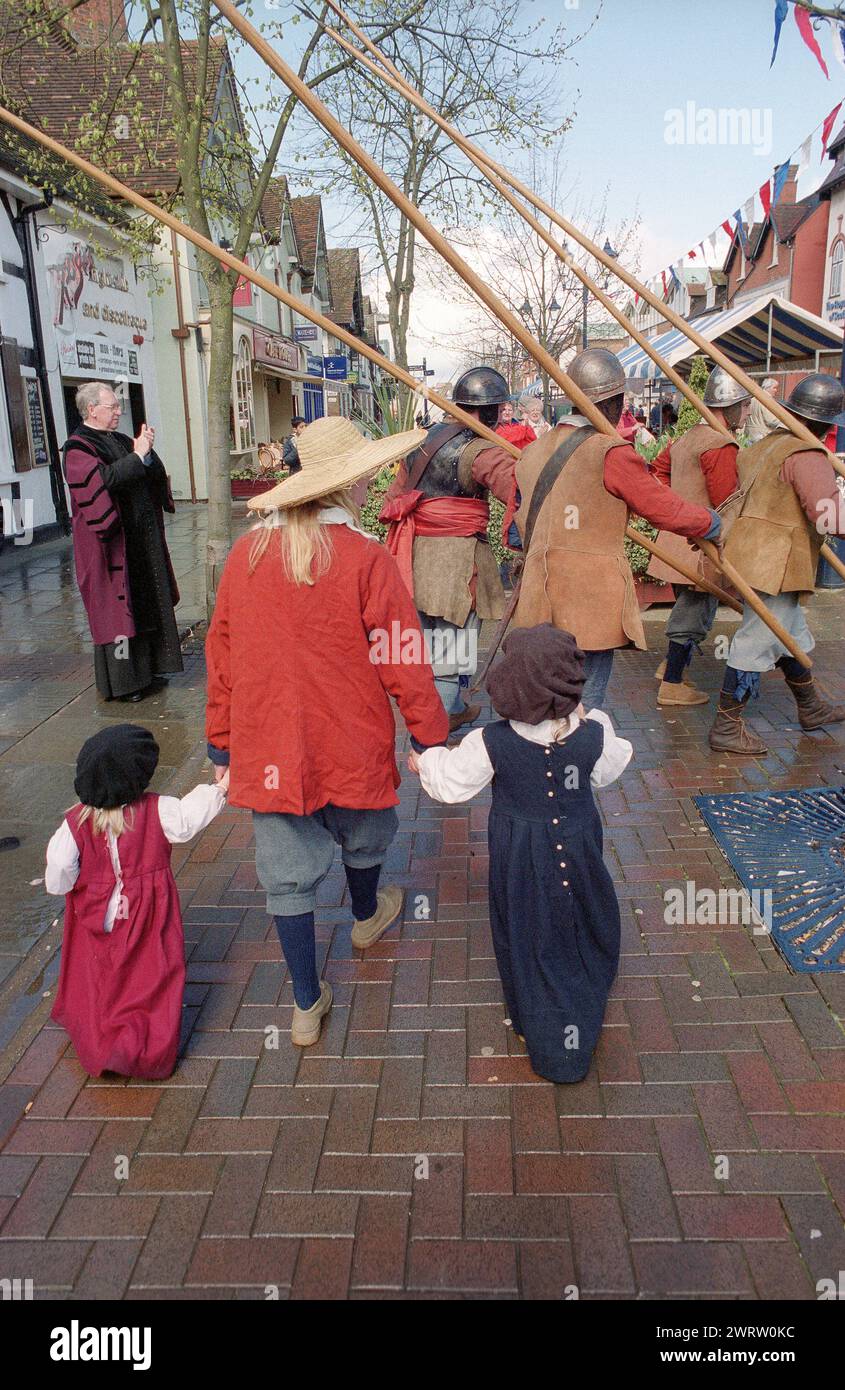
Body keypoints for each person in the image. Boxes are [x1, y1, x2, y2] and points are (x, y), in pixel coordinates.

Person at [205, 416, 448, 1049]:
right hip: (350, 734)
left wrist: (220, 743)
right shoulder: (366, 558)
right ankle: (365, 917)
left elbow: (221, 656)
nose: (370, 485)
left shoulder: (245, 555)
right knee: (364, 830)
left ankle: (305, 1003)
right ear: (347, 484)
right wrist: (427, 736)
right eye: (365, 476)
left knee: (285, 872)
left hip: (269, 743)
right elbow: (402, 655)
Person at [409, 625, 632, 1083]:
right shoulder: (593, 733)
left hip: (520, 854)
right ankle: (581, 981)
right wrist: (583, 716)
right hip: (579, 845)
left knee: (527, 924)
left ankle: (540, 1017)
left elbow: (451, 783)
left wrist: (425, 762)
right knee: (582, 908)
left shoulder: (491, 742)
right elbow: (608, 770)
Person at [511, 349, 723, 709]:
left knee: (550, 695)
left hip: (538, 590)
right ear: (614, 401)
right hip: (588, 594)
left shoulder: (533, 451)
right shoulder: (609, 451)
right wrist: (710, 522)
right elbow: (662, 508)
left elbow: (514, 521)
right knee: (584, 701)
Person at [45, 724, 227, 1078]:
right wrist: (219, 788)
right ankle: (142, 1047)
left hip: (97, 910)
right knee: (150, 975)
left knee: (102, 973)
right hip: (147, 910)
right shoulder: (157, 810)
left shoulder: (75, 821)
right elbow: (188, 820)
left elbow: (60, 868)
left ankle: (105, 1037)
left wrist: (73, 887)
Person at [709, 373, 845, 754]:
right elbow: (826, 515)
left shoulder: (768, 444)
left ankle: (810, 706)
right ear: (826, 423)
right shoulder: (807, 455)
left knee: (790, 636)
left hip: (750, 553)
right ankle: (726, 725)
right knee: (759, 640)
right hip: (776, 563)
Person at [379, 366, 518, 732]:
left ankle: (454, 706)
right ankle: (437, 729)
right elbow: (520, 494)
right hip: (457, 564)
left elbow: (394, 497)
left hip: (414, 556)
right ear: (490, 411)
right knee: (451, 648)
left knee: (431, 642)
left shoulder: (421, 440)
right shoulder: (482, 452)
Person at [62, 382, 182, 703]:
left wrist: (147, 454)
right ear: (92, 410)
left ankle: (150, 670)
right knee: (116, 616)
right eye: (113, 406)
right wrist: (138, 455)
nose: (119, 412)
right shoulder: (77, 448)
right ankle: (126, 684)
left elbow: (145, 473)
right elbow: (103, 482)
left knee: (145, 605)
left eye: (118, 406)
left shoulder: (118, 439)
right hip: (109, 548)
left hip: (138, 543)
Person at [649, 367, 749, 706]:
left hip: (677, 540)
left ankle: (670, 668)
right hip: (701, 545)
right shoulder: (719, 444)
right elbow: (726, 504)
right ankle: (672, 684)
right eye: (743, 405)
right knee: (692, 616)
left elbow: (658, 473)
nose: (747, 412)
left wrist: (677, 505)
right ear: (728, 406)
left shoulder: (688, 437)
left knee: (689, 610)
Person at [745, 377, 781, 444]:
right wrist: (783, 422)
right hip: (761, 435)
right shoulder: (767, 400)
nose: (776, 390)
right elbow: (771, 421)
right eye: (774, 388)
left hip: (748, 434)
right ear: (767, 387)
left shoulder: (753, 399)